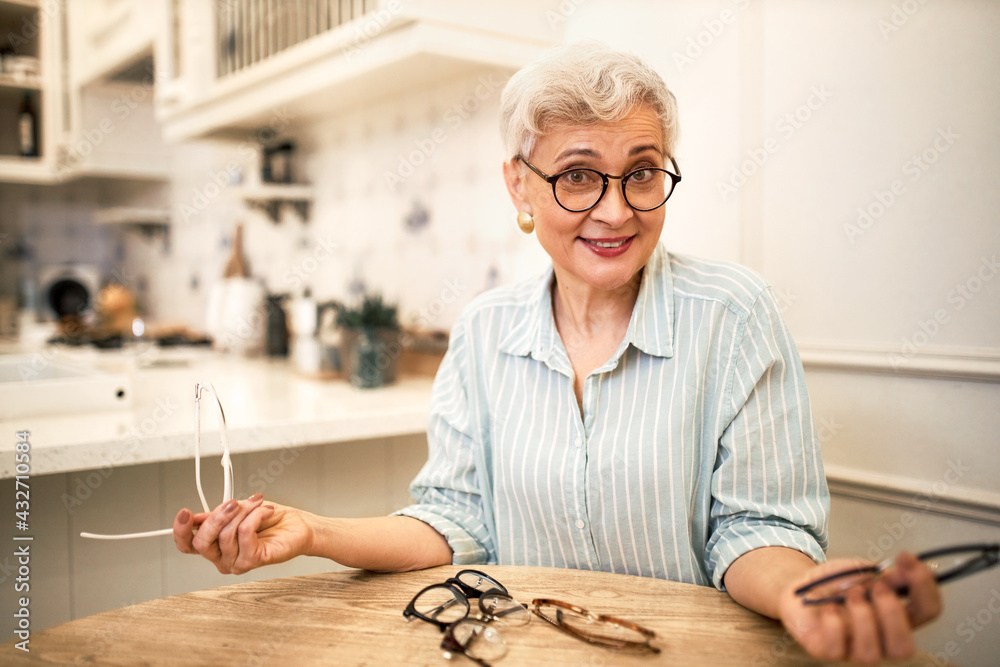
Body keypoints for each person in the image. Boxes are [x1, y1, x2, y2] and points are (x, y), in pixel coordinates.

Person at [174, 43, 942, 662]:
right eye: (577, 175)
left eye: (641, 172)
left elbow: (754, 531)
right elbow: (455, 520)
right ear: (520, 187)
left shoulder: (735, 316)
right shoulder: (482, 332)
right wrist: (311, 531)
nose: (615, 209)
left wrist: (802, 593)